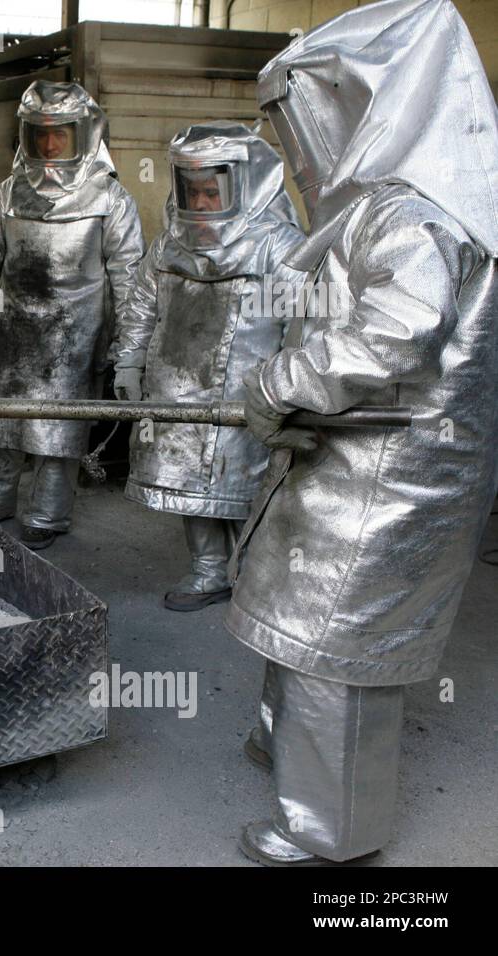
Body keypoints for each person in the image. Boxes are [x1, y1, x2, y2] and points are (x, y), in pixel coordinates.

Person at [229, 0, 498, 864]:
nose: (298, 141)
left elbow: (393, 333)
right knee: (301, 615)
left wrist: (281, 381)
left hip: (391, 470)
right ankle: (287, 747)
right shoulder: (389, 205)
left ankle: (331, 832)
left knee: (337, 646)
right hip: (355, 453)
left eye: (301, 112)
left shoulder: (415, 212)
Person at [112, 122, 305, 611]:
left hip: (250, 393)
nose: (199, 203)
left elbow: (302, 324)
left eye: (210, 191)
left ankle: (255, 579)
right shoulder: (169, 244)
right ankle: (208, 572)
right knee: (189, 491)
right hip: (177, 389)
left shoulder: (278, 245)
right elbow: (141, 307)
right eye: (191, 191)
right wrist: (128, 364)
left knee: (248, 486)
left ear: (245, 184)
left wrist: (288, 390)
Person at [0, 80, 144, 550]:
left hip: (74, 335)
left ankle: (46, 516)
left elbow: (130, 279)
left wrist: (129, 352)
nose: (48, 143)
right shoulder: (10, 192)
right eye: (38, 133)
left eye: (59, 133)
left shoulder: (110, 200)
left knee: (57, 431)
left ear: (83, 133)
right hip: (12, 330)